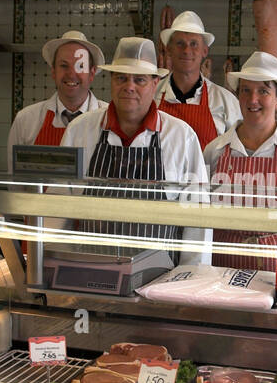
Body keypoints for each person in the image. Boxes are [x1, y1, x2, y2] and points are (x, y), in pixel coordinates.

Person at [60, 37, 210, 265]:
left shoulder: (181, 136)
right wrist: (58, 265)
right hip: (91, 273)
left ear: (154, 83)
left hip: (159, 282)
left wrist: (190, 282)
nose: (129, 86)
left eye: (139, 79)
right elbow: (59, 209)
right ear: (111, 81)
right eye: (121, 78)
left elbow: (197, 219)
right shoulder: (79, 131)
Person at [203, 51, 277, 291]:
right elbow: (200, 214)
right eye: (246, 90)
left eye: (264, 91)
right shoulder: (215, 151)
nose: (253, 99)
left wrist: (276, 244)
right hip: (225, 270)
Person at [5, 29, 104, 163]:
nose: (71, 73)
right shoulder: (26, 120)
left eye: (80, 66)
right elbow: (15, 181)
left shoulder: (109, 119)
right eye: (64, 65)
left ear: (91, 74)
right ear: (53, 72)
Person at [155, 10, 241, 149]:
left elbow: (238, 152)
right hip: (161, 171)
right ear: (169, 49)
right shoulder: (152, 96)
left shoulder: (225, 101)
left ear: (204, 51)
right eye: (179, 43)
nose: (186, 50)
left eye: (194, 44)